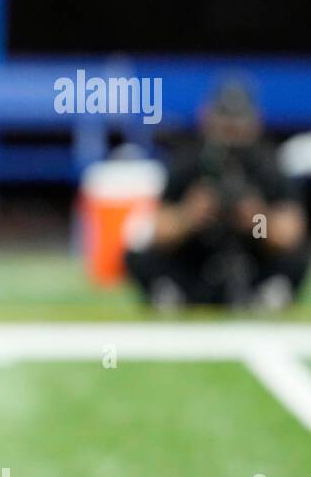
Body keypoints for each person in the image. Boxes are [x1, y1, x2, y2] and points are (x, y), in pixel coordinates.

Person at [124, 81, 308, 311]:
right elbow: (155, 231)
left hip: (251, 260)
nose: (230, 129)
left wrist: (257, 221)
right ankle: (175, 297)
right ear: (208, 117)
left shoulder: (268, 165)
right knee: (138, 256)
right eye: (225, 119)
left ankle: (266, 297)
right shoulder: (188, 162)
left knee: (297, 259)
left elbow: (292, 234)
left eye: (238, 120)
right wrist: (189, 217)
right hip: (196, 262)